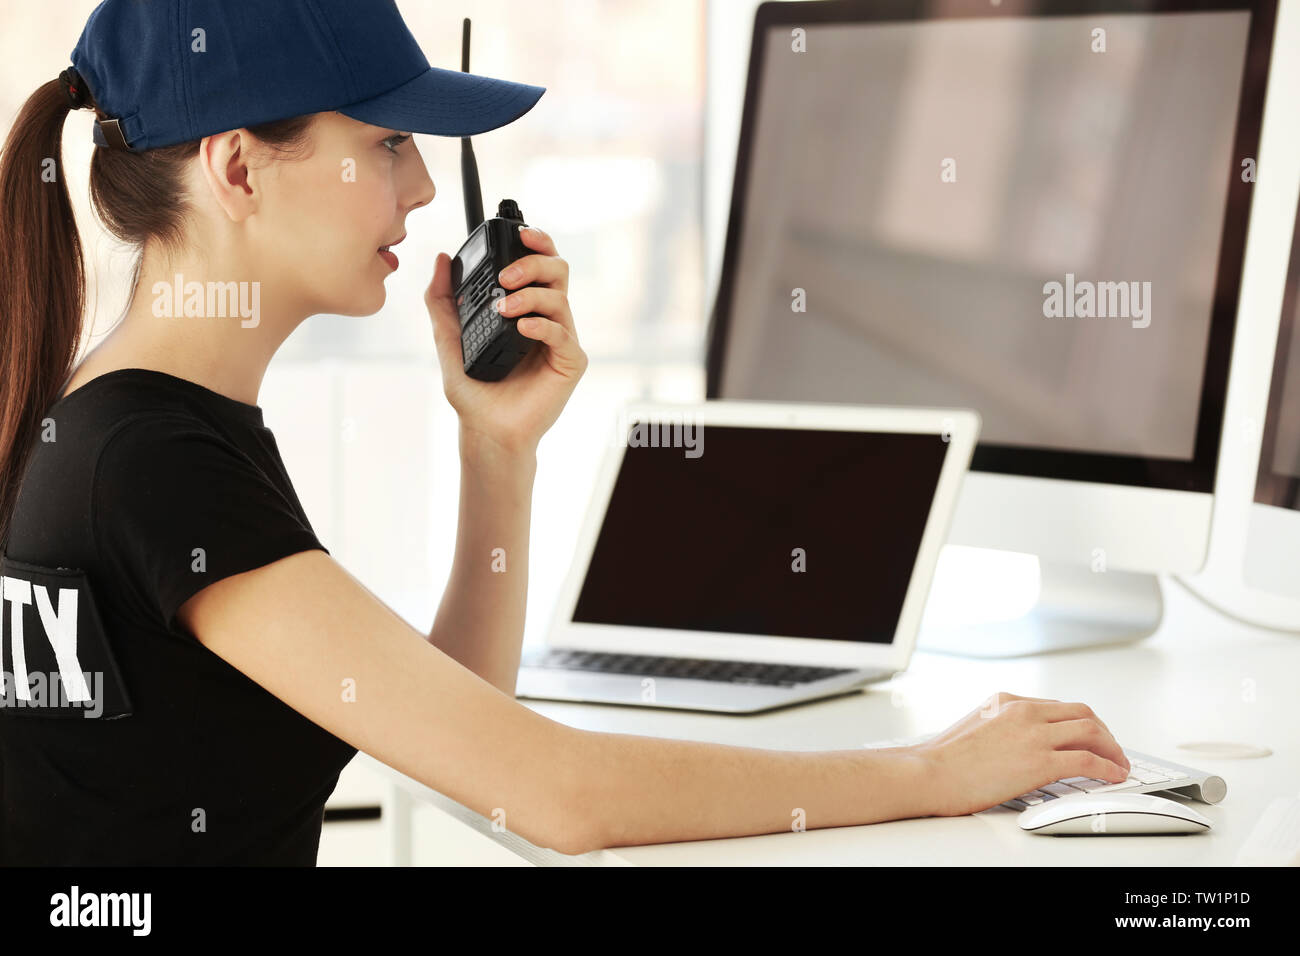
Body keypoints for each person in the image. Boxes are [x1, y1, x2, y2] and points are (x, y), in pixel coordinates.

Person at [0, 0, 1131, 865]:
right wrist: (934, 768)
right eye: (388, 143)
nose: (424, 184)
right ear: (238, 166)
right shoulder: (153, 468)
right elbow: (553, 792)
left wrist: (497, 449)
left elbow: (462, 733)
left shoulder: (125, 430)